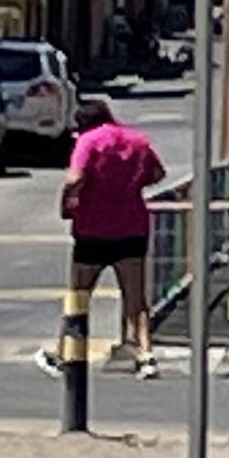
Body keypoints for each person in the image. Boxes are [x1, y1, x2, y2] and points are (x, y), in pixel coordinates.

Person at [40, 106, 169, 379]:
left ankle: (66, 353)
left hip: (93, 227)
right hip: (132, 225)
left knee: (79, 295)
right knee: (136, 298)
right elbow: (158, 173)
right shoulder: (136, 140)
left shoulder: (89, 141)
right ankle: (146, 355)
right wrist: (132, 185)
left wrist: (67, 202)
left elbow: (74, 178)